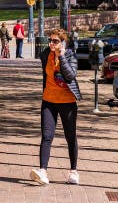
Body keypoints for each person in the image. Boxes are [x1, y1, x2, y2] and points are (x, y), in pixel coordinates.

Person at [30, 28, 82, 186]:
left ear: (62, 42)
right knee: (46, 136)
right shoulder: (45, 54)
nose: (51, 43)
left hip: (67, 103)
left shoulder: (70, 55)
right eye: (50, 40)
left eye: (55, 41)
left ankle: (73, 171)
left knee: (70, 136)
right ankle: (43, 172)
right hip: (48, 101)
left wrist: (62, 57)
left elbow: (70, 76)